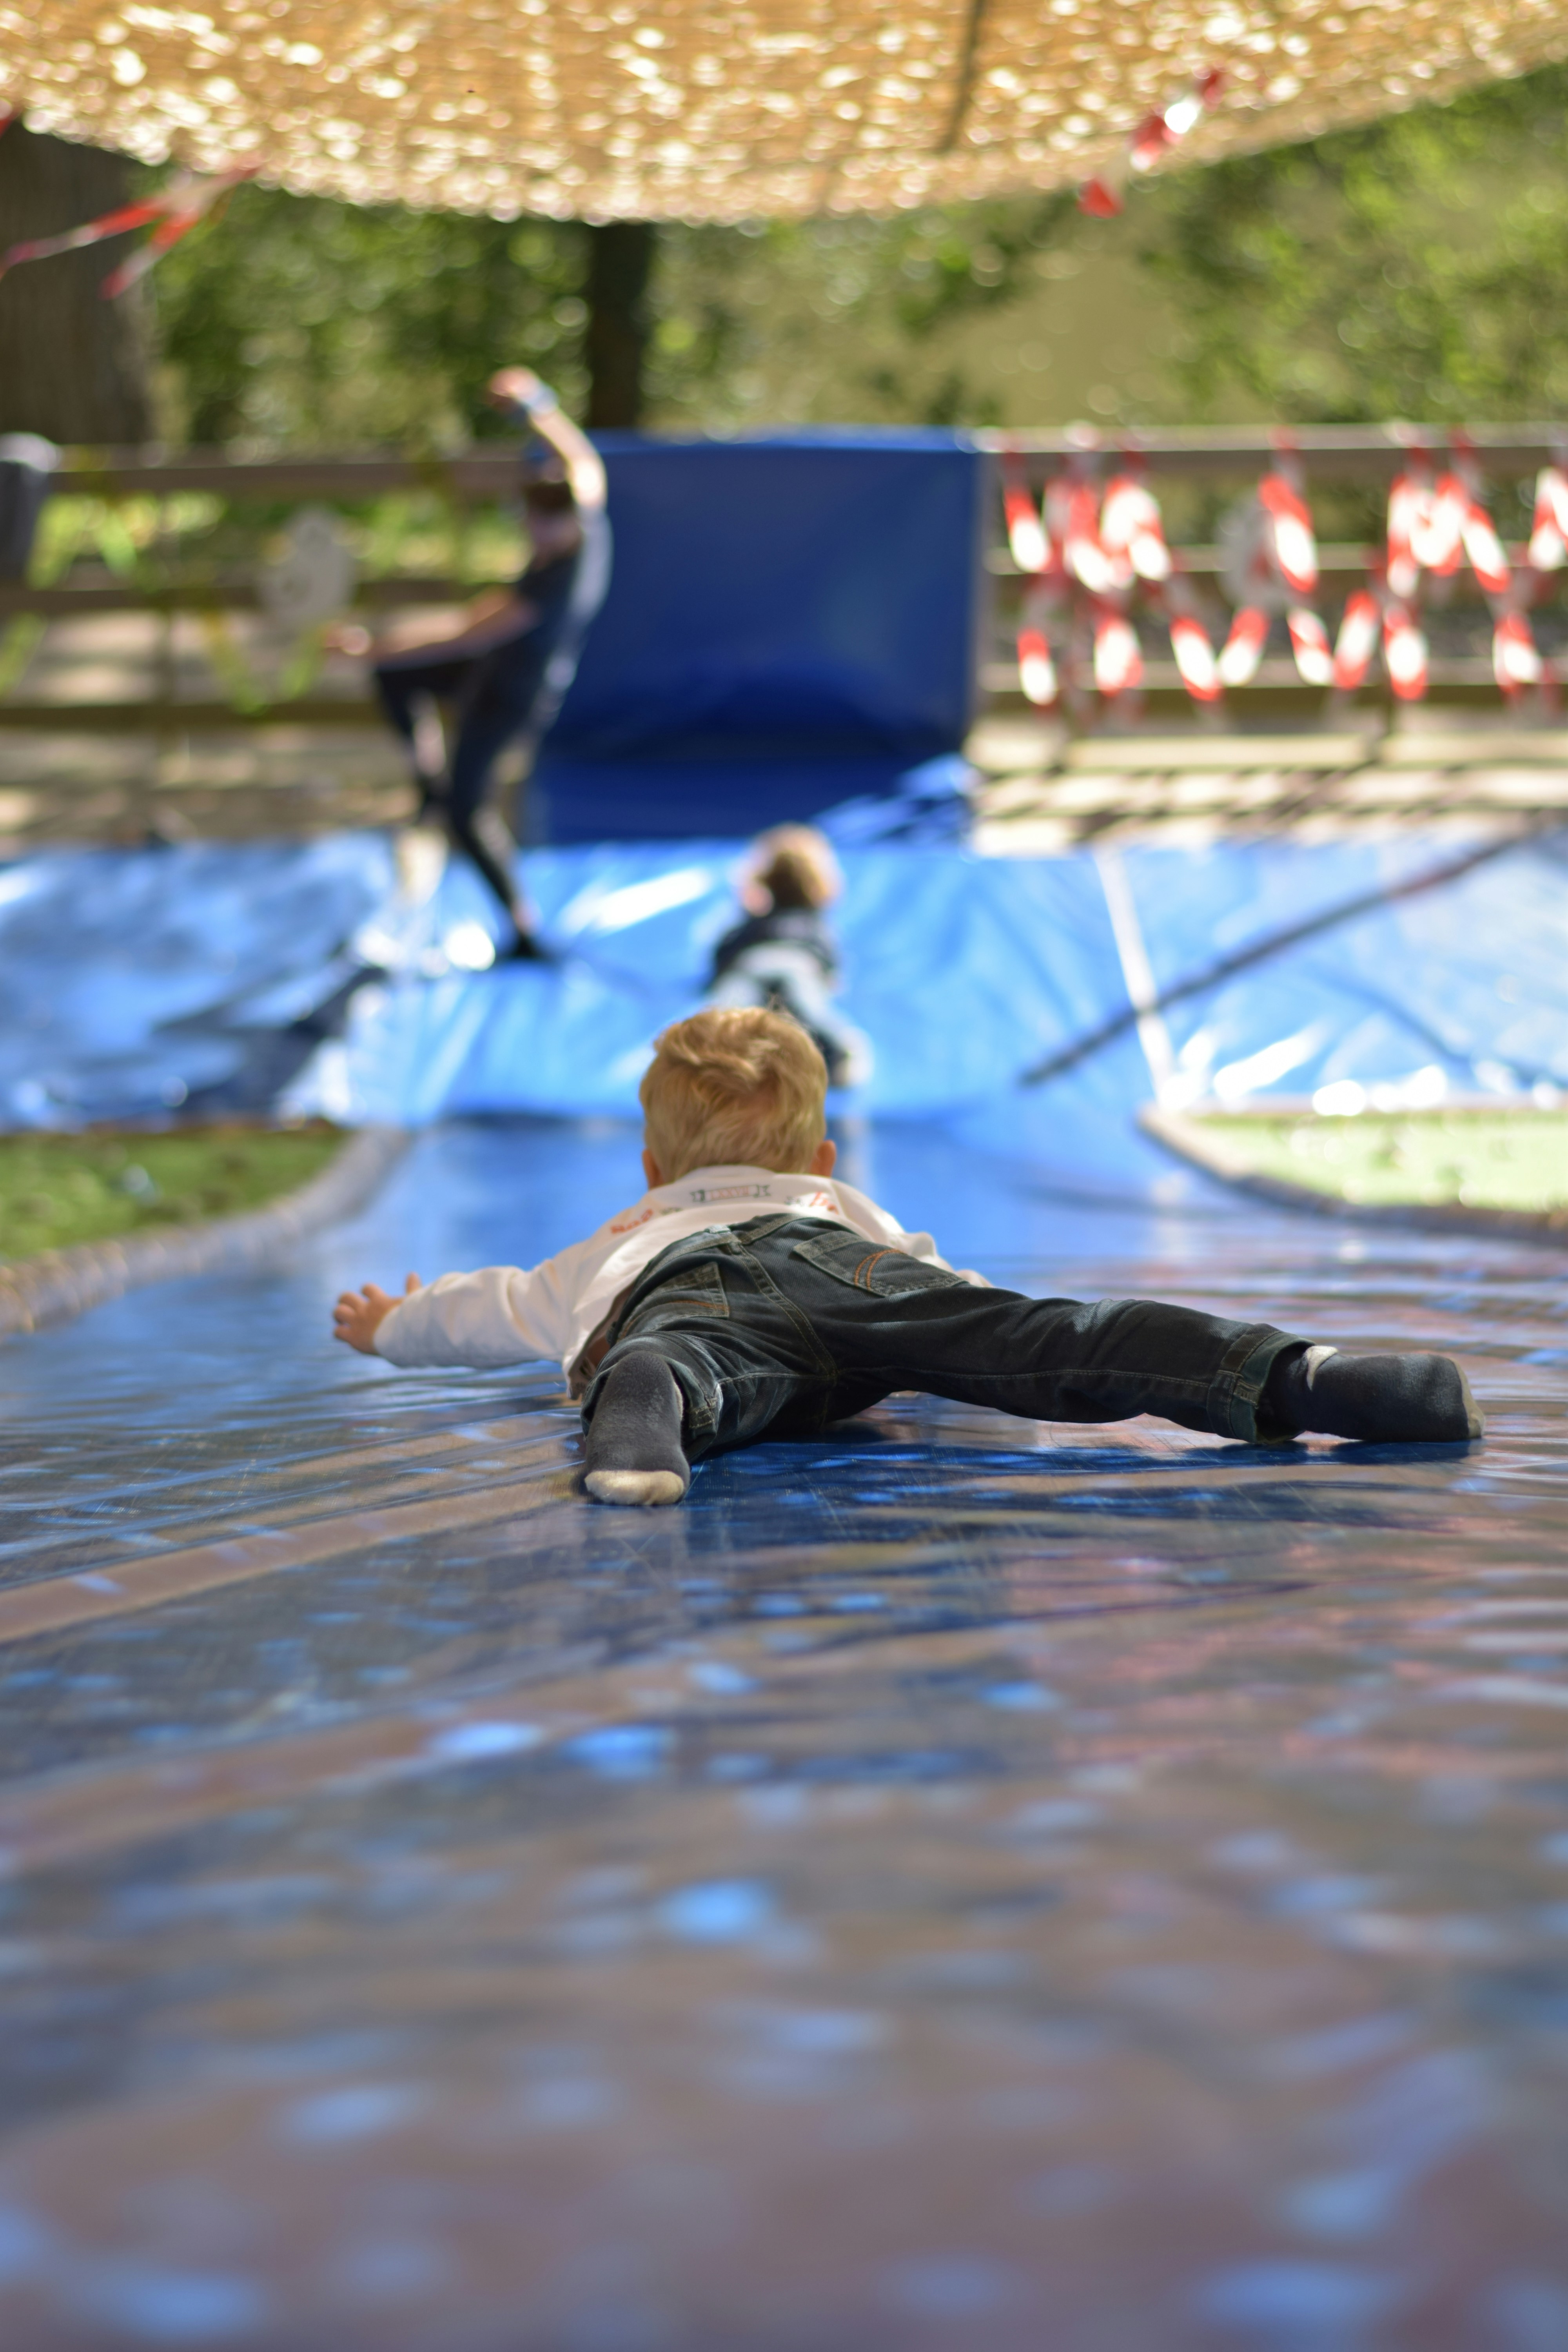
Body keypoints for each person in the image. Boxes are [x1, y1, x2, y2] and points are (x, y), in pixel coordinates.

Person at [333, 1005, 1485, 1508]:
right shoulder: (838, 1200)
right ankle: (1306, 1376)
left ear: (649, 1170)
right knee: (1056, 1339)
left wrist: (394, 1320)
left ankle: (652, 1401)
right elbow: (973, 1306)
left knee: (682, 1355)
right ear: (819, 1150)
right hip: (849, 1276)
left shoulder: (622, 1240)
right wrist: (991, 1352)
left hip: (683, 1300)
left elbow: (490, 1309)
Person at [336, 367, 609, 960]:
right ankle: (426, 781)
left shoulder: (550, 587)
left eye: (533, 526)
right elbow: (582, 458)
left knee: (469, 813)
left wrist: (369, 645)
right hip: (491, 669)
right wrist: (536, 403)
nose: (528, 534)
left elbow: (462, 633)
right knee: (395, 678)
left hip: (510, 695)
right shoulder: (585, 515)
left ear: (548, 523)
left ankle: (523, 927)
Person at [706, 825, 872, 1087]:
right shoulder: (815, 925)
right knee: (808, 1013)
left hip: (750, 969)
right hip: (797, 970)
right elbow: (829, 968)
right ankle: (838, 1057)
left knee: (731, 1014)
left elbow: (722, 957)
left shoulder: (748, 925)